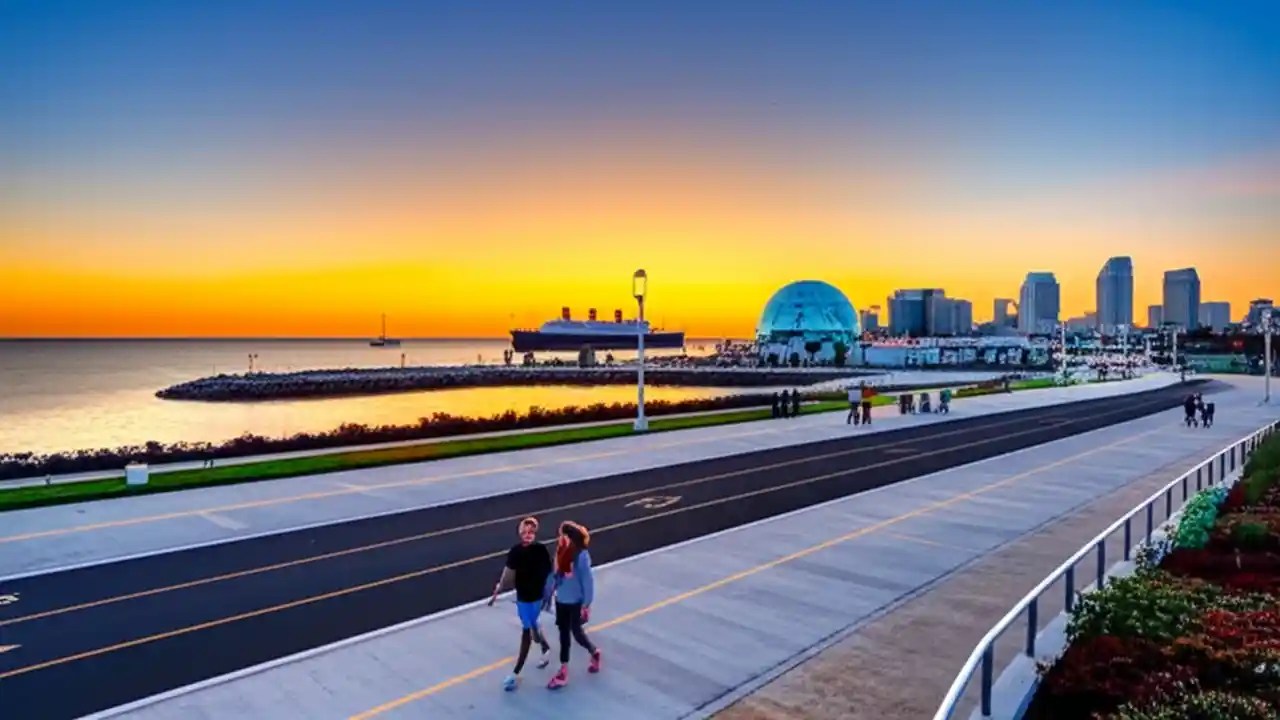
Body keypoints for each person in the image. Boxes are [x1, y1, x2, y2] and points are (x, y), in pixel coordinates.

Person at [489, 517, 554, 691]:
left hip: (537, 597)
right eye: (525, 532)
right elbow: (508, 574)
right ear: (520, 534)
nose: (528, 535)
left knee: (527, 633)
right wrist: (500, 587)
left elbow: (549, 573)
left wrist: (550, 593)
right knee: (532, 628)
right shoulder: (515, 552)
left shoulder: (541, 550)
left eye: (531, 532)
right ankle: (546, 648)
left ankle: (516, 673)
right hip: (523, 598)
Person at [546, 521, 600, 689]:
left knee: (576, 633)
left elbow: (587, 581)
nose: (559, 538)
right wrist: (547, 593)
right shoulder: (560, 552)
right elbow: (554, 575)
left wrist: (586, 604)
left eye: (562, 535)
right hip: (561, 599)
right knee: (564, 635)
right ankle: (563, 669)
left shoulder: (581, 556)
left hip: (575, 602)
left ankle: (593, 651)